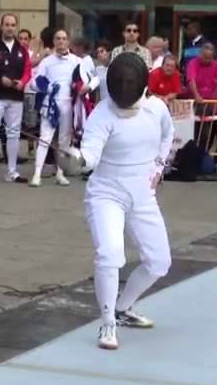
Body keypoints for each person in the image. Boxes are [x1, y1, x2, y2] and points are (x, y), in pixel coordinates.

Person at [71, 54, 174, 351]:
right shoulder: (102, 114)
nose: (126, 88)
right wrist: (78, 160)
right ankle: (107, 324)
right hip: (107, 193)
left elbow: (167, 137)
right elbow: (90, 154)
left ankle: (122, 307)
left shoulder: (156, 109)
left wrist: (158, 167)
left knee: (159, 262)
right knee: (110, 254)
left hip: (142, 193)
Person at [0, 13, 32, 183]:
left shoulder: (21, 49)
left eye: (13, 25)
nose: (10, 28)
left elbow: (27, 71)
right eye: (7, 24)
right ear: (1, 26)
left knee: (14, 133)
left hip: (15, 97)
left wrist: (22, 82)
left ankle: (12, 171)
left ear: (16, 27)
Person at [28, 29, 81, 187]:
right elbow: (34, 82)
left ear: (68, 41)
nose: (61, 41)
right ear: (54, 41)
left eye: (64, 38)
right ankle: (37, 173)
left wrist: (79, 87)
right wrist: (49, 88)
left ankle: (60, 173)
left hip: (68, 104)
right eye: (58, 38)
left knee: (64, 141)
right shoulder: (47, 61)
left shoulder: (77, 61)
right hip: (50, 103)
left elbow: (86, 80)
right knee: (45, 138)